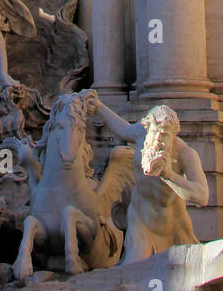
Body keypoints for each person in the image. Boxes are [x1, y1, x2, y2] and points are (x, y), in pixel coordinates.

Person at [87, 93, 209, 262]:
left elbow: (202, 196)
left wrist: (169, 175)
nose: (158, 140)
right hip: (140, 218)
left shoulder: (185, 154)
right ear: (147, 128)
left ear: (173, 135)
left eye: (165, 136)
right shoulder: (142, 134)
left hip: (173, 223)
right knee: (134, 268)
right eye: (155, 134)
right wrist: (100, 107)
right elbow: (123, 129)